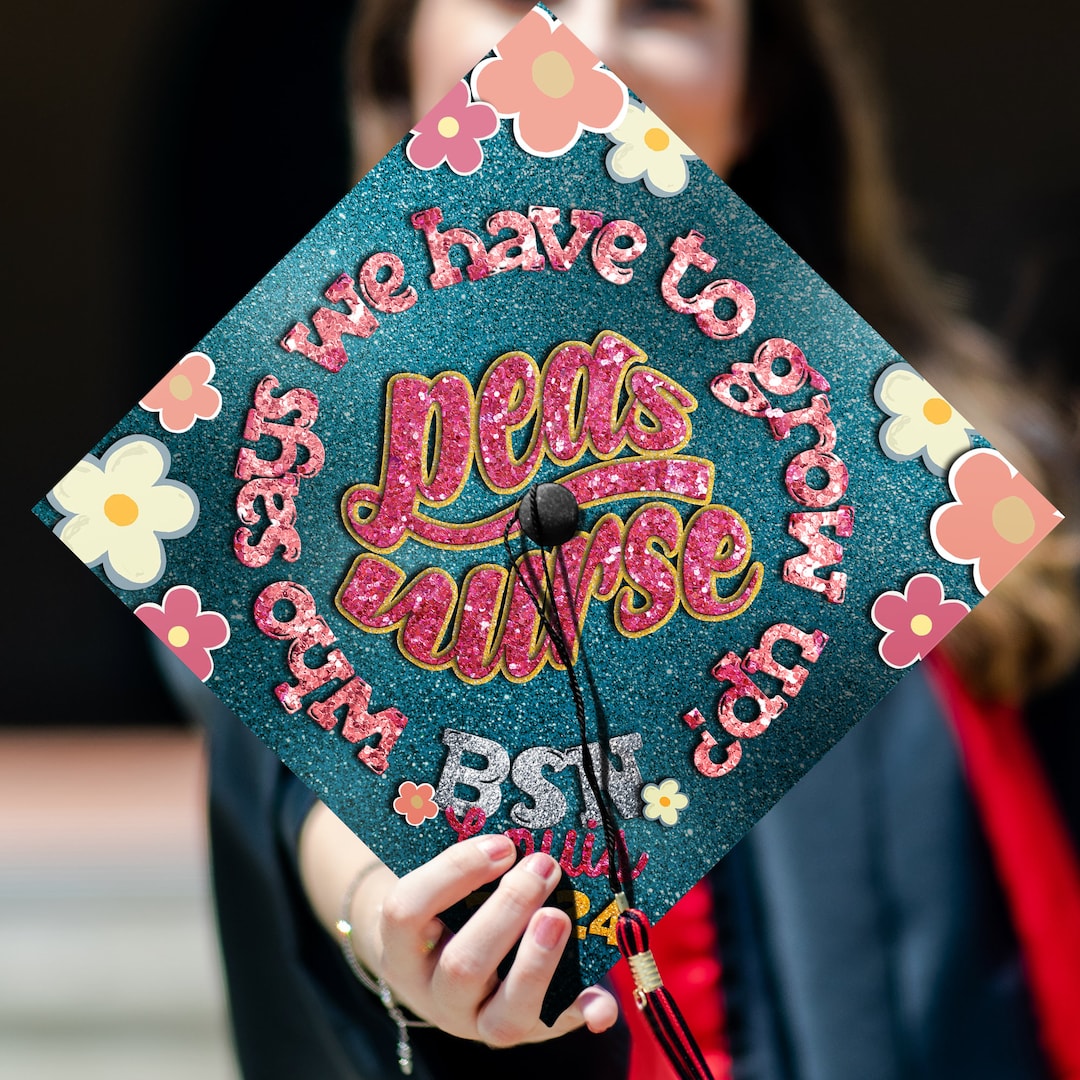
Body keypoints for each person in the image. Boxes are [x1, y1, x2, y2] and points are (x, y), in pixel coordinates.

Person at [188, 1, 1080, 1077]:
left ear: (758, 90)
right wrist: (393, 921)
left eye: (666, 5)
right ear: (398, 64)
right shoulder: (292, 486)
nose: (586, 49)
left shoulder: (949, 482)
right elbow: (303, 785)